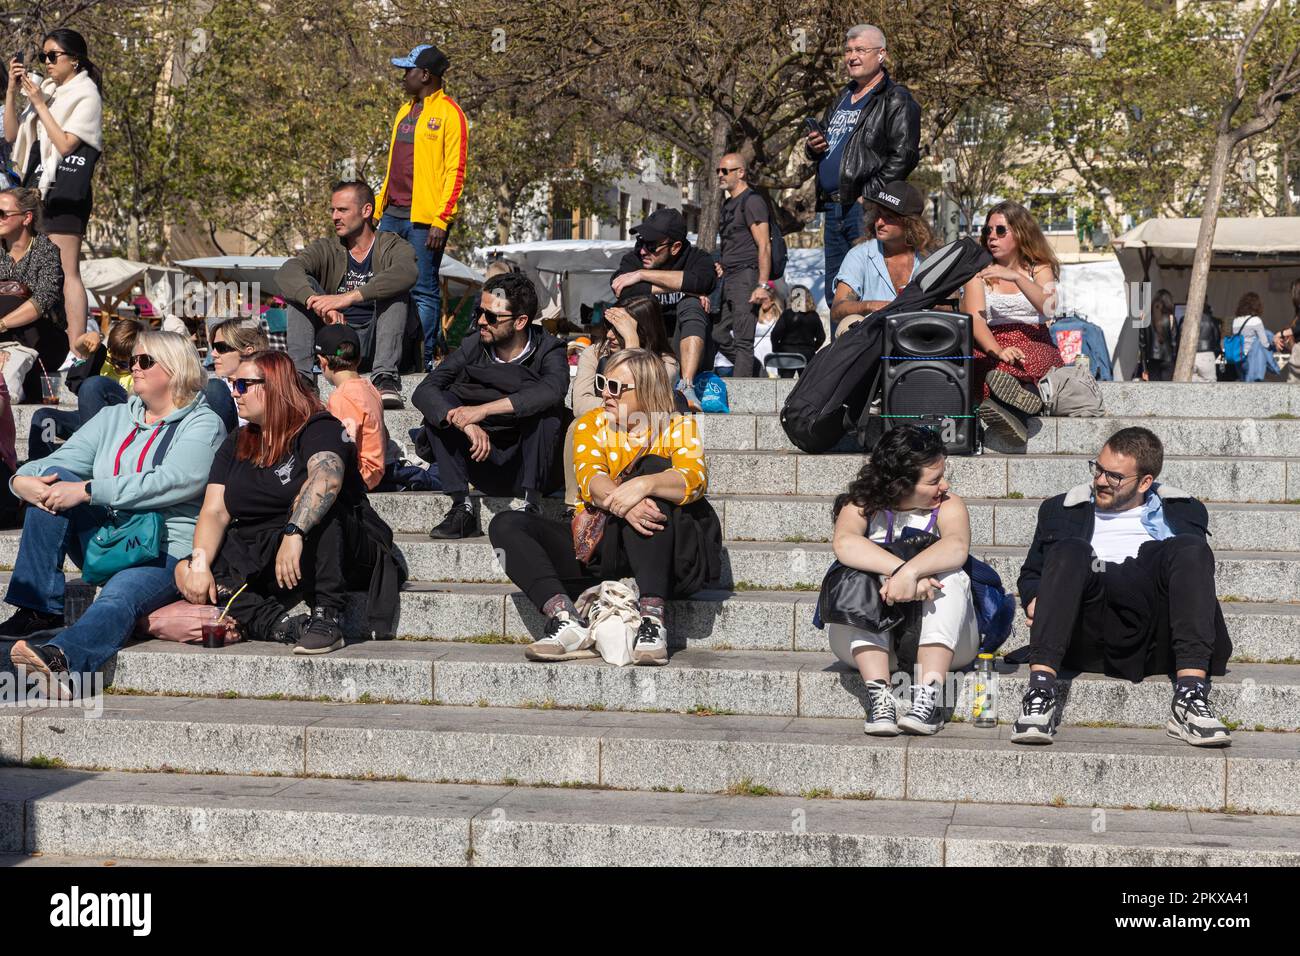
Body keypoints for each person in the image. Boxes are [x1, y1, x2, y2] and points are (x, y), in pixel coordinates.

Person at [2, 332, 225, 697]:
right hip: (109, 537)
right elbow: (60, 461)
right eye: (132, 361)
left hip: (164, 547)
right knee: (52, 488)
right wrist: (21, 480)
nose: (133, 368)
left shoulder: (203, 424)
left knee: (119, 597)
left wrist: (90, 490)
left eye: (144, 361)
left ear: (175, 368)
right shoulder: (114, 417)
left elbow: (174, 481)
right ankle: (39, 609)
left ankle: (62, 661)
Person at [489, 349, 718, 666]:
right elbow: (591, 479)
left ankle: (652, 618)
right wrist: (625, 505)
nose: (604, 394)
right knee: (506, 525)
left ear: (647, 390)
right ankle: (566, 620)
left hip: (664, 552)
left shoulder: (678, 426)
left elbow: (694, 478)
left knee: (655, 468)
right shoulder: (591, 424)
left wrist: (643, 485)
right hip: (601, 544)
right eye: (602, 383)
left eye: (615, 387)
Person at [1012, 427, 1233, 747]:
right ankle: (1040, 693)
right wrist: (1034, 598)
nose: (1101, 480)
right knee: (1071, 550)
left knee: (1189, 549)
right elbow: (1031, 573)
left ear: (1145, 482)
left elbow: (1192, 578)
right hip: (1087, 626)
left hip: (1157, 631)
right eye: (1098, 469)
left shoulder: (1184, 511)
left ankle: (1189, 697)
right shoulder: (1059, 510)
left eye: (1114, 476)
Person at [177, 350, 403, 655]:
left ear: (274, 386)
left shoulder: (318, 426)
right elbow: (215, 511)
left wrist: (294, 532)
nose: (234, 392)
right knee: (187, 566)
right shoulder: (238, 440)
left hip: (344, 546)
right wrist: (201, 564)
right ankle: (281, 625)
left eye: (243, 384)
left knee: (321, 502)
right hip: (273, 547)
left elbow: (328, 478)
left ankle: (327, 617)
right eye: (233, 384)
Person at [827, 426, 978, 736]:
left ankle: (927, 699)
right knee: (858, 571)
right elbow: (845, 544)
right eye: (934, 480)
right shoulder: (861, 505)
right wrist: (896, 571)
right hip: (864, 644)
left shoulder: (950, 505)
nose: (944, 485)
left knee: (952, 575)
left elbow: (956, 547)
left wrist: (912, 573)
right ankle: (881, 699)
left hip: (945, 644)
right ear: (900, 484)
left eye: (943, 476)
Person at [414, 272, 568, 539]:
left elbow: (552, 390)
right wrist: (466, 422)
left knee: (549, 413)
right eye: (479, 312)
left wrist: (483, 409)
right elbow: (426, 389)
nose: (482, 321)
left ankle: (531, 506)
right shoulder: (475, 345)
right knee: (440, 411)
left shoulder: (549, 349)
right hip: (482, 455)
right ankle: (461, 508)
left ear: (520, 321)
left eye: (492, 317)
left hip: (530, 461)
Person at [805, 24, 921, 307]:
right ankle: (840, 351)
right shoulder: (842, 97)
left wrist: (868, 194)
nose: (852, 57)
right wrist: (813, 146)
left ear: (881, 54)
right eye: (847, 51)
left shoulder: (896, 98)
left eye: (860, 50)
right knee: (839, 293)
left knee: (869, 287)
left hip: (866, 209)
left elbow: (904, 155)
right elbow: (829, 143)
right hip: (833, 208)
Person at [277, 181, 417, 408]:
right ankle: (302, 379)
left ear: (366, 211)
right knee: (300, 288)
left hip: (377, 341)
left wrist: (347, 297)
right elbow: (287, 272)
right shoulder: (326, 248)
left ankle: (384, 378)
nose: (335, 216)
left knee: (395, 289)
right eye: (333, 210)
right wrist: (317, 302)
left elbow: (407, 272)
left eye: (342, 210)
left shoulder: (392, 245)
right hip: (338, 341)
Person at [5, 30, 102, 348]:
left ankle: (78, 345)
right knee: (39, 267)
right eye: (43, 55)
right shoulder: (47, 90)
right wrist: (12, 90)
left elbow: (64, 143)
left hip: (64, 191)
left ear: (74, 60)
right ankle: (44, 341)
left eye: (53, 56)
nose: (46, 62)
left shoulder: (86, 95)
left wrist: (38, 103)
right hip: (36, 191)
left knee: (66, 269)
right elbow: (11, 138)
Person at [375, 44, 467, 368]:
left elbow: (455, 172)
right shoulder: (403, 111)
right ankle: (386, 358)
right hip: (391, 215)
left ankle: (421, 361)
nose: (403, 77)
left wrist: (442, 220)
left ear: (425, 74)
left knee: (423, 290)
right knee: (383, 286)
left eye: (408, 71)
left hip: (425, 221)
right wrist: (376, 209)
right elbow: (391, 167)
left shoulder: (450, 114)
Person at [961, 201, 1064, 443]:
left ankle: (1012, 407)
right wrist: (997, 350)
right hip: (992, 342)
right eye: (987, 231)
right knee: (993, 370)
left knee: (1030, 359)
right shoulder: (979, 272)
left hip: (1034, 339)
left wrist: (1017, 277)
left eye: (1000, 230)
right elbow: (975, 318)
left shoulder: (1039, 268)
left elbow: (1048, 307)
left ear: (1019, 233)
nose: (991, 237)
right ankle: (1023, 403)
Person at [566, 295, 679, 505]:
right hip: (603, 425)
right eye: (609, 326)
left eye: (619, 330)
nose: (609, 335)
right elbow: (580, 404)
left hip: (645, 431)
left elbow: (648, 400)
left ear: (643, 331)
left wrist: (632, 344)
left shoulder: (666, 363)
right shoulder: (594, 353)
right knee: (577, 425)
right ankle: (576, 504)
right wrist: (616, 408)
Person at [611, 208, 715, 398]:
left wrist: (641, 275)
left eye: (651, 246)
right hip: (648, 349)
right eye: (640, 242)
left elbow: (704, 281)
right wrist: (683, 286)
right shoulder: (632, 259)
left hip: (684, 345)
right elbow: (622, 288)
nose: (643, 250)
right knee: (640, 303)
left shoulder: (698, 259)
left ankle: (687, 386)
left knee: (692, 304)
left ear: (675, 247)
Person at [27, 317, 143, 460]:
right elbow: (73, 382)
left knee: (94, 384)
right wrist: (85, 349)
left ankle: (89, 452)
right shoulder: (102, 356)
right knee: (44, 417)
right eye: (112, 360)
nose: (116, 366)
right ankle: (39, 462)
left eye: (123, 364)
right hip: (89, 420)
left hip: (119, 420)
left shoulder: (141, 370)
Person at [830, 181, 932, 337]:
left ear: (909, 223)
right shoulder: (859, 255)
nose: (879, 222)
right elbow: (837, 310)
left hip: (919, 337)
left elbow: (953, 305)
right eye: (878, 214)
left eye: (889, 217)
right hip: (871, 340)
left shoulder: (929, 259)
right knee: (848, 323)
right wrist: (871, 306)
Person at [0, 186, 72, 403]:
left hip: (42, 338)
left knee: (14, 300)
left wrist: (2, 324)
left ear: (26, 218)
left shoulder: (46, 251)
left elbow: (43, 300)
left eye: (2, 214)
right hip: (7, 337)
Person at [714, 153, 771, 378]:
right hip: (728, 278)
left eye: (725, 171)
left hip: (747, 276)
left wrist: (763, 285)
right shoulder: (729, 204)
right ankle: (758, 373)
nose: (720, 175)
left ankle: (741, 401)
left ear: (740, 172)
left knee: (743, 340)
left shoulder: (752, 201)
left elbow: (764, 244)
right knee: (717, 333)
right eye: (718, 171)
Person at [317, 323, 390, 491]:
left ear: (322, 362)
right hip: (374, 471)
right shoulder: (370, 388)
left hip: (359, 477)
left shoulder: (342, 397)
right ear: (357, 359)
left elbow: (342, 445)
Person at [208, 316, 268, 428]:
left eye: (221, 347)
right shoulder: (208, 388)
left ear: (248, 352)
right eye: (213, 347)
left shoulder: (270, 386)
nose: (213, 354)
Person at [770, 284, 825, 376]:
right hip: (807, 354)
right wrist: (812, 348)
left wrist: (777, 350)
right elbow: (821, 337)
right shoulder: (813, 315)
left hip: (787, 353)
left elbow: (775, 335)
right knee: (806, 384)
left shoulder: (787, 314)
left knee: (784, 383)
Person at [1140, 289, 1177, 381]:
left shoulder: (1146, 318)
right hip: (1168, 360)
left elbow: (1142, 345)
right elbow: (1174, 343)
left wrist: (1144, 367)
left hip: (1152, 360)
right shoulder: (1171, 318)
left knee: (1154, 391)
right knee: (1167, 391)